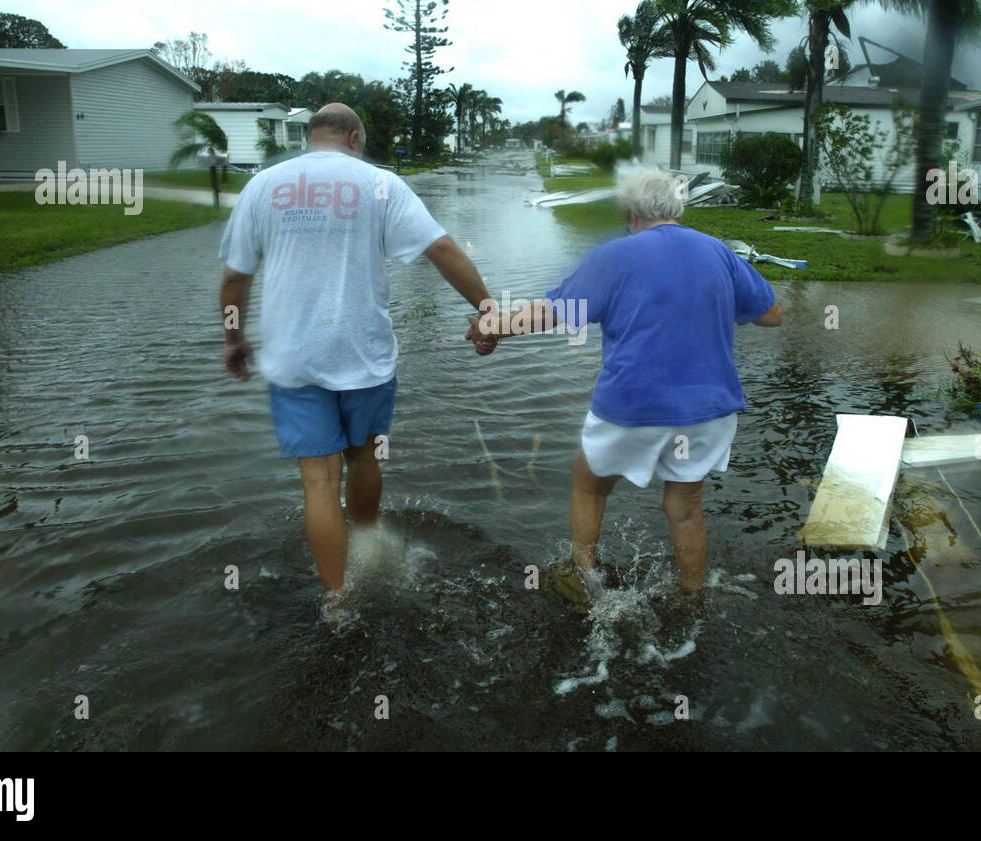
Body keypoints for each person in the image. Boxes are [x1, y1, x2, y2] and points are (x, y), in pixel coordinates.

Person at [219, 103, 494, 593]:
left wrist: (234, 338)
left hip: (293, 359)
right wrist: (488, 309)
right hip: (363, 354)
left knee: (319, 482)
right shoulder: (380, 184)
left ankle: (337, 599)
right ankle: (367, 541)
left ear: (312, 137)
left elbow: (236, 276)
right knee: (364, 458)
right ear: (354, 139)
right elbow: (443, 250)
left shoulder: (263, 186)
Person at [465, 167, 782, 591]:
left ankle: (584, 578)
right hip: (709, 408)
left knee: (590, 484)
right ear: (677, 209)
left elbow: (553, 313)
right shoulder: (718, 252)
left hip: (633, 405)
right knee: (686, 506)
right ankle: (691, 599)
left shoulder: (615, 256)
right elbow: (771, 315)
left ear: (632, 213)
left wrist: (494, 328)